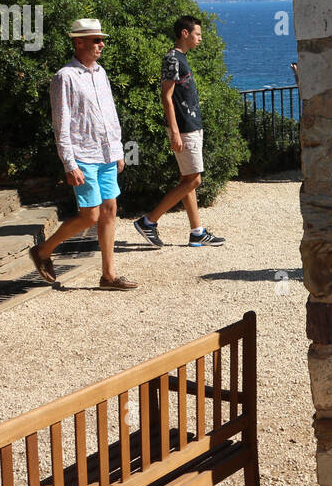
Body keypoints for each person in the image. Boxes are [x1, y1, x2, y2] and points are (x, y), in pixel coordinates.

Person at [30, 18, 138, 290]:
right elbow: (61, 123)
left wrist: (118, 149)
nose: (101, 45)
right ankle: (43, 251)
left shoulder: (100, 73)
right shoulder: (64, 77)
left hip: (106, 154)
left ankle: (108, 275)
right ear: (78, 42)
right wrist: (69, 163)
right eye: (96, 40)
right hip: (83, 155)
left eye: (102, 40)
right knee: (90, 215)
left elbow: (110, 114)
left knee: (110, 210)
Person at [133, 16, 224, 247]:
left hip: (191, 126)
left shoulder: (180, 58)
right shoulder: (173, 58)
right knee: (194, 181)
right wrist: (174, 130)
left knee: (188, 179)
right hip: (184, 128)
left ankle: (197, 232)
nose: (200, 38)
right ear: (185, 33)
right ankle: (148, 221)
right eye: (197, 34)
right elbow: (166, 96)